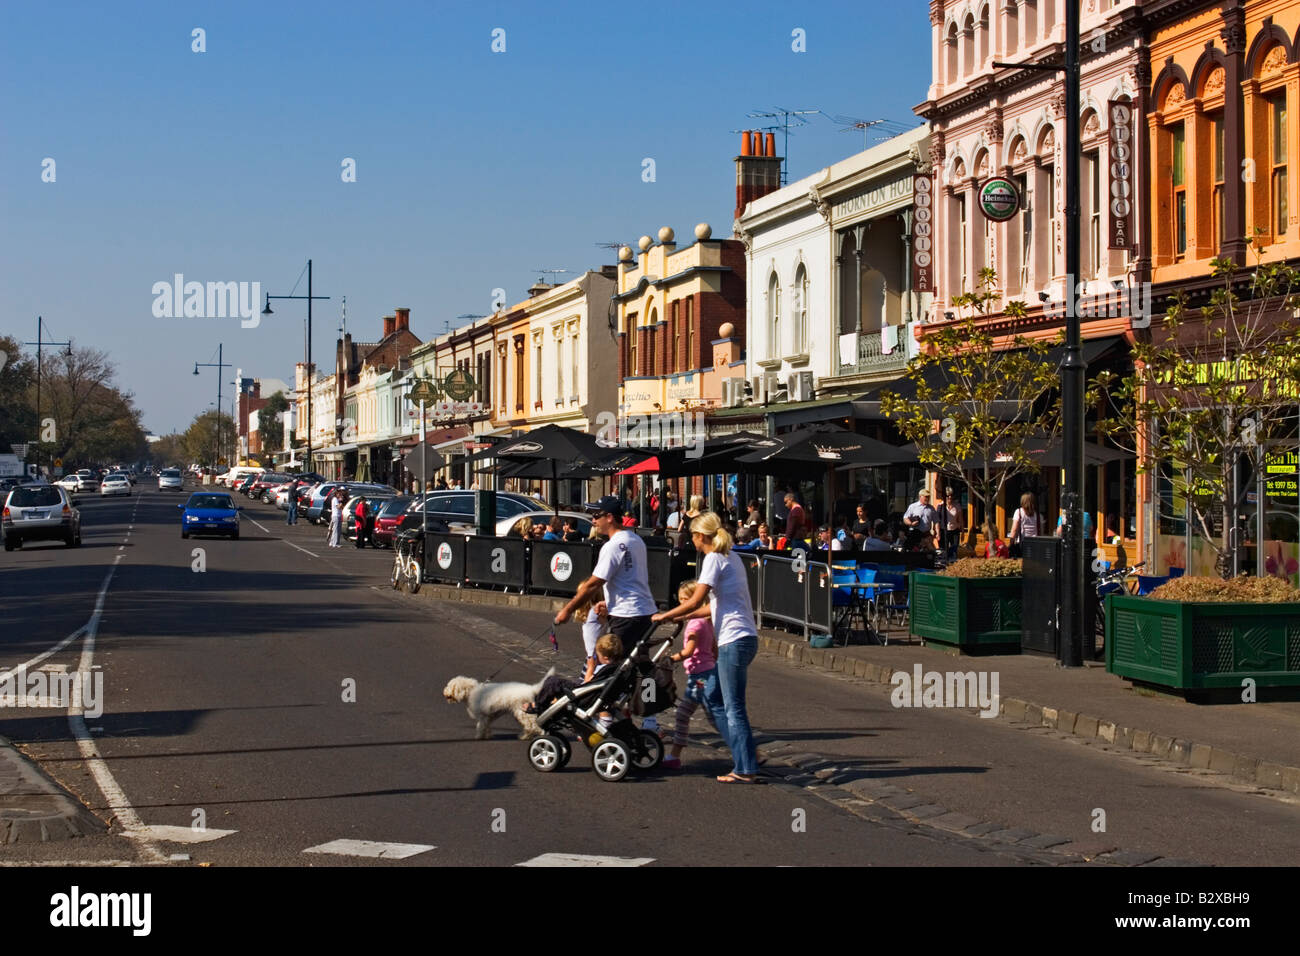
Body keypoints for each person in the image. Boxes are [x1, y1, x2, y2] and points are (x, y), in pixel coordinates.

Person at [653, 512, 761, 784]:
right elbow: (710, 606)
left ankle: (745, 768)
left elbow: (695, 599)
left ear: (701, 536)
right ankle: (745, 760)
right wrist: (682, 617)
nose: (692, 540)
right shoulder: (732, 557)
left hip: (733, 639)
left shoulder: (713, 559)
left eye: (692, 536)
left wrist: (665, 615)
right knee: (727, 705)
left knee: (732, 707)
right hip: (746, 637)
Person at [555, 495, 657, 652]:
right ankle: (651, 677)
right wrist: (609, 602)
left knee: (616, 665)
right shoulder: (636, 539)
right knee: (636, 662)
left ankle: (655, 677)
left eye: (596, 515)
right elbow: (630, 577)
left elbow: (594, 584)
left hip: (626, 614)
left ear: (609, 517)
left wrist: (568, 610)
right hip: (644, 610)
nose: (593, 520)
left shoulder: (613, 546)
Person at [660, 579, 720, 771]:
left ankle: (675, 755)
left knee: (686, 714)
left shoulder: (694, 625)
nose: (681, 605)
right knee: (713, 717)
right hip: (709, 672)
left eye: (684, 601)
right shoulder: (707, 622)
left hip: (700, 677)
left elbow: (688, 651)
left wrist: (671, 659)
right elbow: (714, 649)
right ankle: (675, 754)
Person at [1008, 492, 1040, 557]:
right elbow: (1041, 532)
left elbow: (1014, 529)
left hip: (1022, 545)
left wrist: (1010, 544)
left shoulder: (1018, 512)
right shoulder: (1038, 515)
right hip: (1036, 545)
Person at [941, 489, 965, 558]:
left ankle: (954, 562)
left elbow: (961, 519)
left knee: (955, 547)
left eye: (951, 495)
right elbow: (937, 519)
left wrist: (963, 531)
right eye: (948, 496)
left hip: (955, 529)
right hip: (945, 529)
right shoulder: (941, 506)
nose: (950, 497)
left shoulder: (957, 506)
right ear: (944, 496)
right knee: (945, 548)